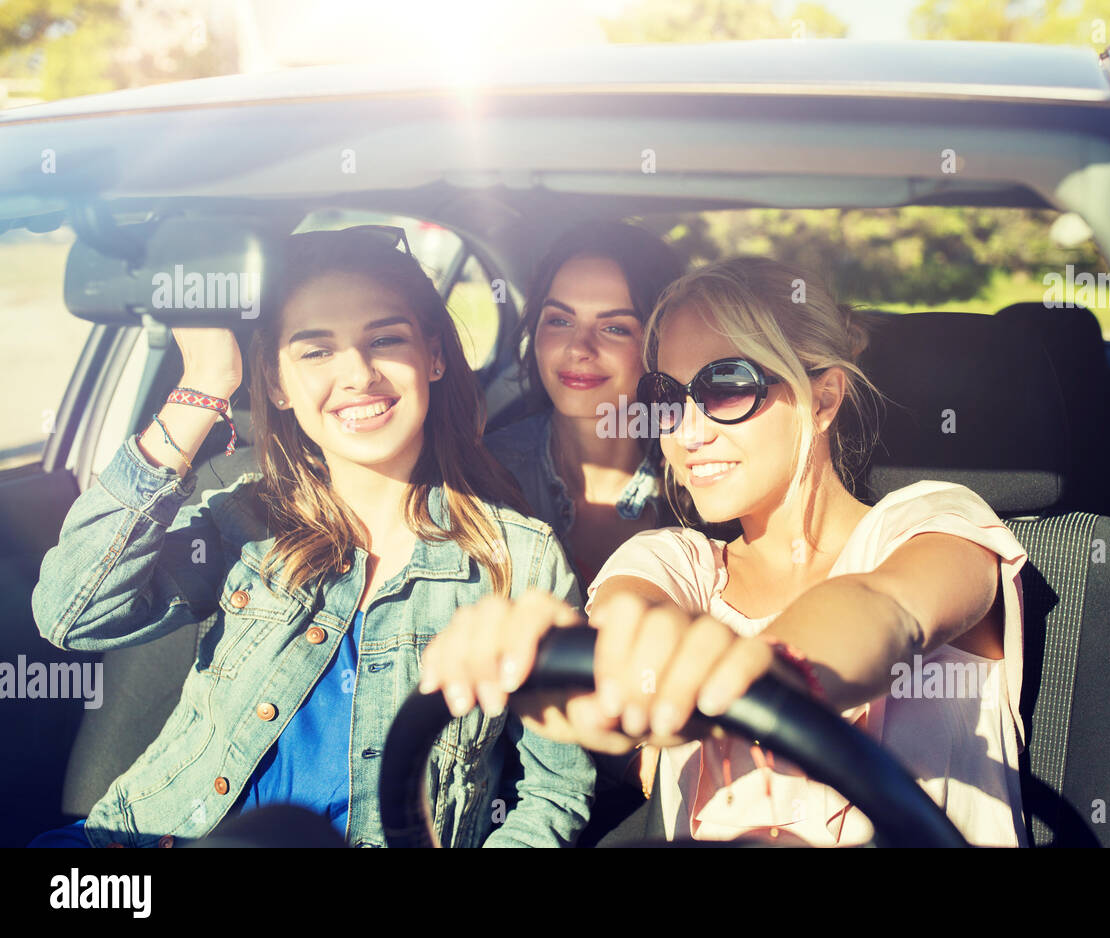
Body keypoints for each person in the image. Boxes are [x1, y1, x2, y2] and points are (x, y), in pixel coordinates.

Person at [417, 256, 1031, 846]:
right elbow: (625, 629)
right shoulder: (672, 560)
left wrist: (758, 678)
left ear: (822, 399)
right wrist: (563, 670)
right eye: (666, 396)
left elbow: (883, 608)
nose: (687, 431)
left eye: (728, 386)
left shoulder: (933, 522)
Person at [27, 226, 594, 848]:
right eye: (316, 351)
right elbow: (71, 614)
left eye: (385, 340)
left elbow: (555, 791)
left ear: (433, 355)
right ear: (275, 383)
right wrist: (208, 381)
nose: (357, 374)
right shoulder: (246, 519)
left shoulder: (518, 559)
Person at [485, 220, 685, 593]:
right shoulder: (484, 476)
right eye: (560, 320)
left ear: (660, 343)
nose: (579, 348)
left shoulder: (700, 472)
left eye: (615, 328)